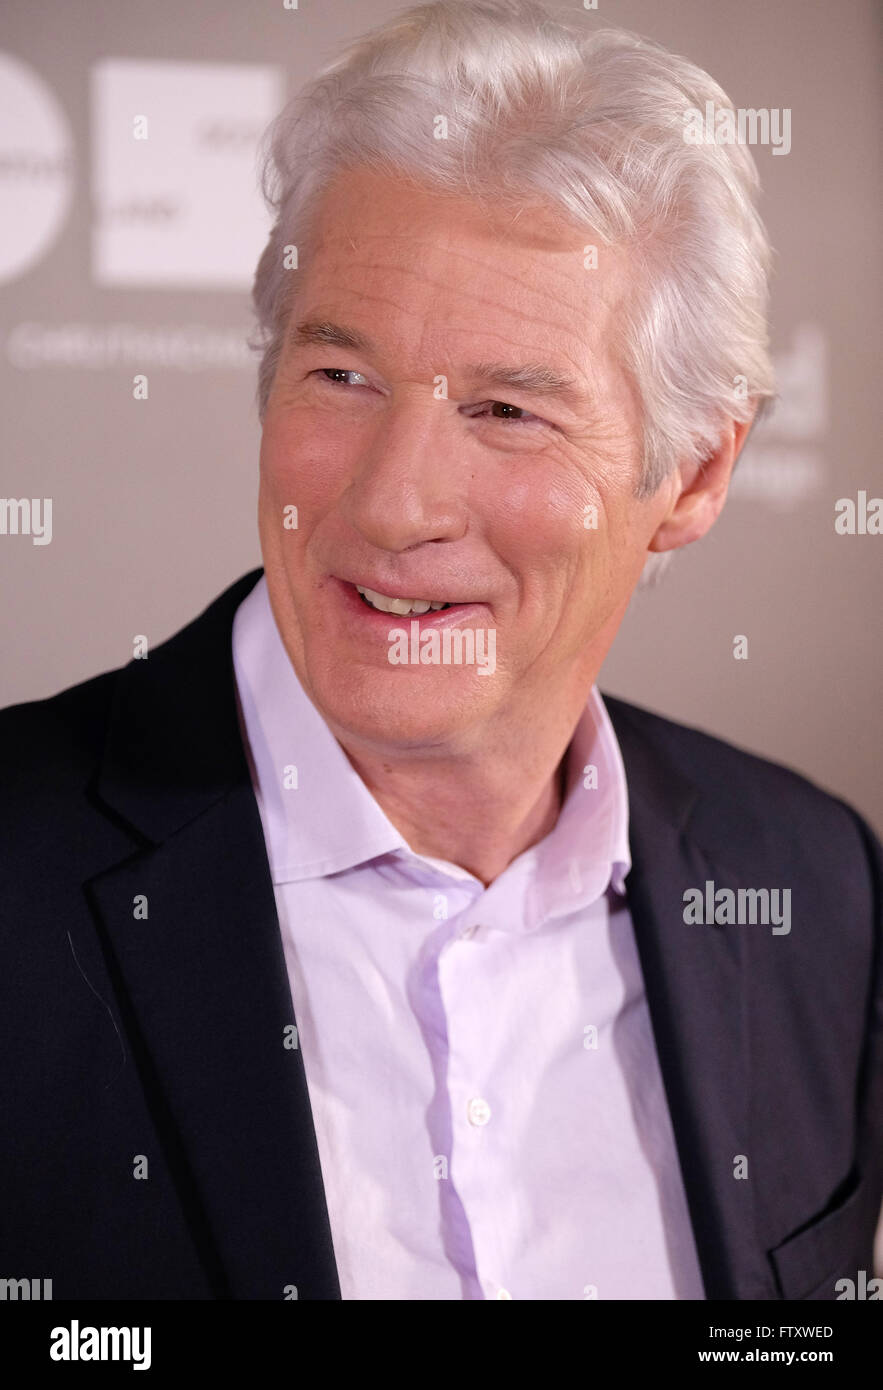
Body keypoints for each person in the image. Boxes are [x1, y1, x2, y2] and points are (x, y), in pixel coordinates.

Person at [2, 0, 881, 1301]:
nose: (392, 503)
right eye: (341, 378)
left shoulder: (817, 886)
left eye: (507, 409)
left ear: (695, 474)